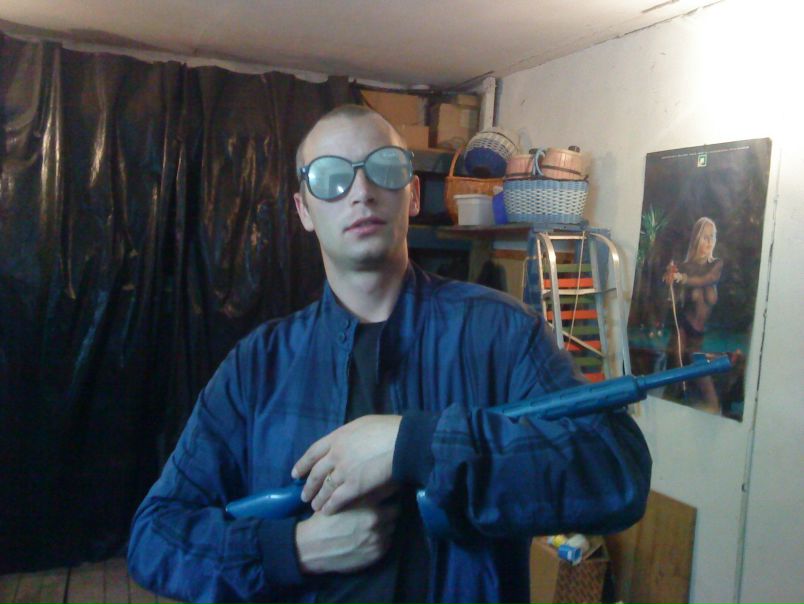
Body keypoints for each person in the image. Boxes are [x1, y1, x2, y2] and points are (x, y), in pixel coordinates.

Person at [127, 104, 651, 604]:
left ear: (413, 194)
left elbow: (617, 472)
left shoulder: (500, 333)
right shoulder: (257, 367)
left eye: (383, 168)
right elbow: (155, 537)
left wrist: (415, 444)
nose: (361, 191)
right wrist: (295, 549)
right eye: (330, 177)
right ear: (303, 210)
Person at [663, 217, 724, 412]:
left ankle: (710, 409)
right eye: (705, 237)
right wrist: (669, 276)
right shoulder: (684, 266)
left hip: (699, 333)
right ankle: (670, 405)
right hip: (683, 325)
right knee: (677, 366)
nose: (709, 242)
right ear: (696, 238)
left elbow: (707, 279)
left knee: (699, 373)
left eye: (712, 237)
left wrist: (682, 278)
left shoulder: (716, 265)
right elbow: (669, 292)